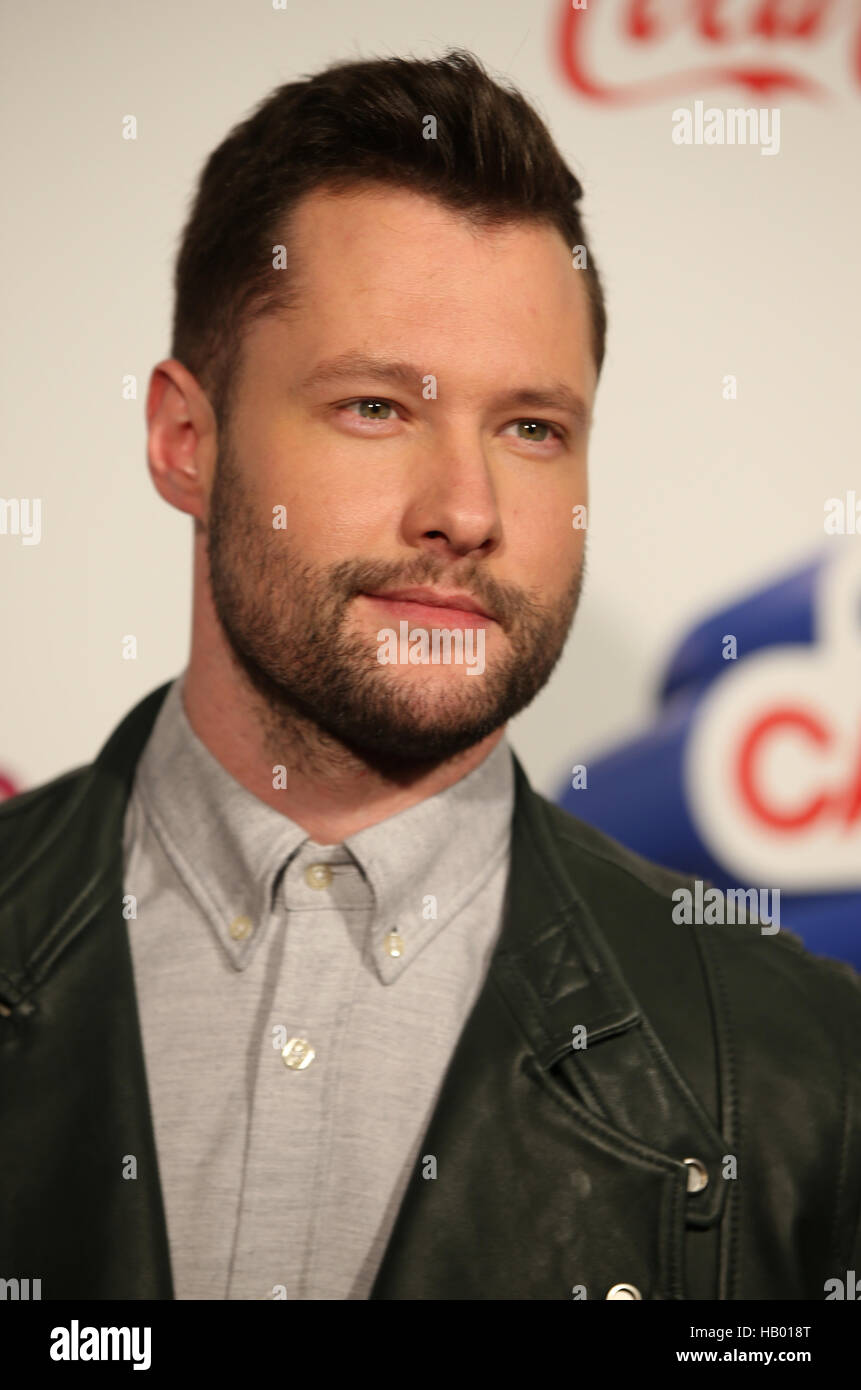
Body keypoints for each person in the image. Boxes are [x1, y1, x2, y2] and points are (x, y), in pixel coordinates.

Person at [1, 49, 858, 1302]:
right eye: (375, 408)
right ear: (186, 440)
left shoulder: (806, 1076)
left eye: (530, 429)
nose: (465, 511)